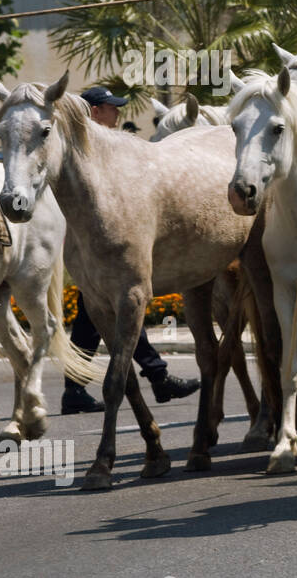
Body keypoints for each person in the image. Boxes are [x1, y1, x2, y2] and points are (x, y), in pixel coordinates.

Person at [60, 86, 202, 414]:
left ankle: (80, 388)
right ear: (94, 112)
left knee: (100, 314)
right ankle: (156, 376)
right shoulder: (89, 149)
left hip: (97, 248)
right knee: (118, 307)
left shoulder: (93, 146)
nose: (117, 112)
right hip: (99, 247)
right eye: (112, 108)